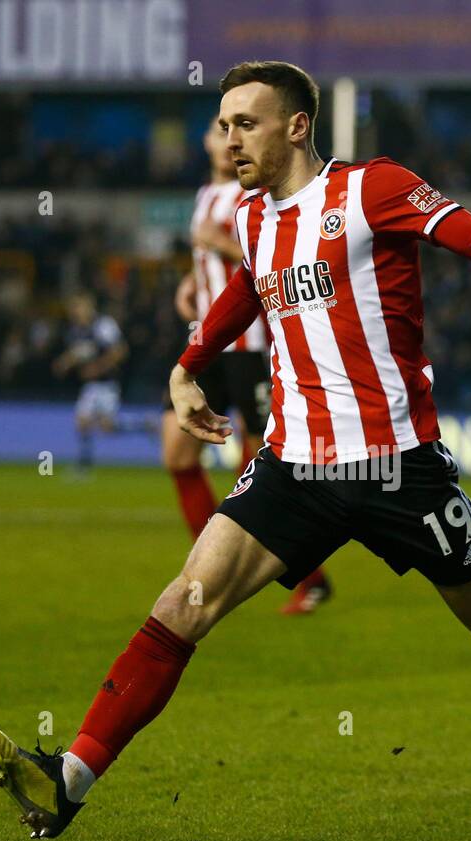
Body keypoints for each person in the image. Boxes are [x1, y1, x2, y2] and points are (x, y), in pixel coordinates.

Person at [0, 60, 471, 839]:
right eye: (224, 123)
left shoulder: (373, 188)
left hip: (398, 463)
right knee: (184, 601)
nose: (230, 138)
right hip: (294, 464)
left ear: (296, 125)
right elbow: (247, 290)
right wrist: (187, 363)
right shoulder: (256, 219)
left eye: (246, 123)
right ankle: (70, 778)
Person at [166, 123, 331, 613]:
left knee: (260, 469)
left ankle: (312, 577)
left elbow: (272, 257)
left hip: (251, 346)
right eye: (221, 131)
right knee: (177, 454)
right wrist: (189, 283)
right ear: (207, 143)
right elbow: (209, 265)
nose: (230, 140)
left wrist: (219, 243)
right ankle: (212, 563)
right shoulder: (204, 195)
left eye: (238, 131)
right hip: (206, 343)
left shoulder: (254, 195)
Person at [51, 292, 128, 473]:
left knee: (107, 427)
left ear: (88, 307)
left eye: (77, 308)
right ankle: (83, 466)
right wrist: (64, 362)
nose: (75, 313)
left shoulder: (103, 325)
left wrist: (98, 367)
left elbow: (120, 351)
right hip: (91, 386)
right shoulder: (76, 331)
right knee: (82, 422)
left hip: (108, 383)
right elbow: (79, 352)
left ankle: (143, 425)